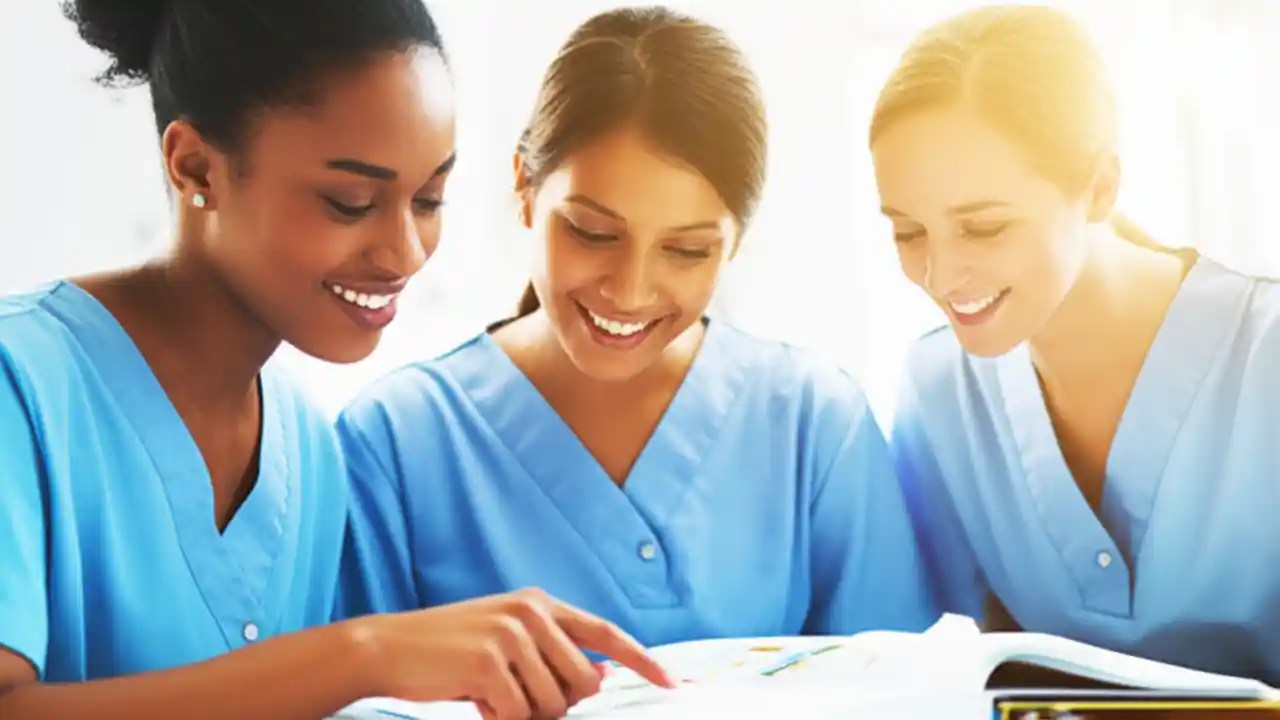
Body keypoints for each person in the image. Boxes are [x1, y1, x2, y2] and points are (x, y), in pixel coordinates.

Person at [0, 2, 671, 719]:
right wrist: (364, 656)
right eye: (351, 202)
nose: (405, 253)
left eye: (428, 198)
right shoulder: (23, 386)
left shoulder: (309, 452)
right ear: (196, 166)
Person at [336, 6, 939, 650]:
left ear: (736, 241)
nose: (629, 290)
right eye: (592, 233)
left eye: (686, 251)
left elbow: (893, 687)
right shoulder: (395, 443)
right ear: (525, 187)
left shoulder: (814, 424)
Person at [873, 4, 1280, 682]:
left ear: (1099, 187)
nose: (939, 276)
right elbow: (992, 664)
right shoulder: (939, 386)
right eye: (908, 233)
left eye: (984, 227)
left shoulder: (1266, 358)